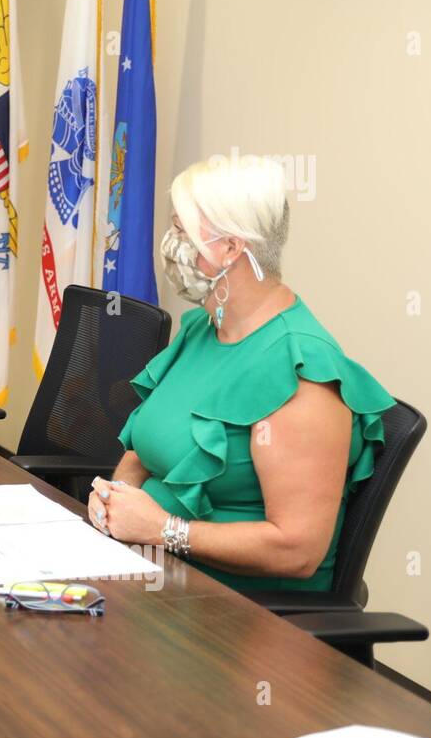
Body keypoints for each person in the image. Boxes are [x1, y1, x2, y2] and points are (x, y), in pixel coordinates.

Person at [87, 155, 395, 592]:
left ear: (231, 249)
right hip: (150, 572)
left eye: (182, 231)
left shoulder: (301, 371)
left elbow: (297, 550)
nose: (170, 245)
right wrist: (113, 501)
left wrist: (163, 530)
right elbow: (147, 448)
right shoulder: (204, 328)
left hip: (233, 609)